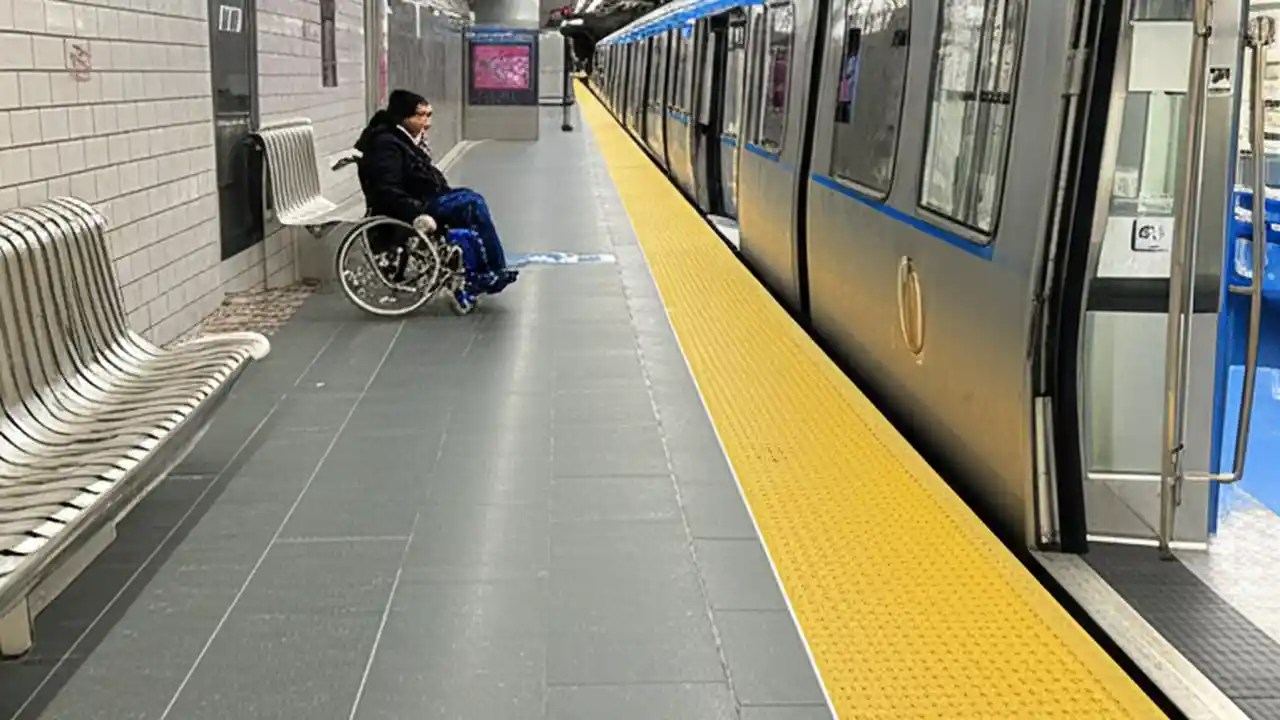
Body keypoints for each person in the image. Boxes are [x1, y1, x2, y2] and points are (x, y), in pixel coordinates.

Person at [354, 89, 515, 308]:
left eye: (429, 115)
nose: (427, 122)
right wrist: (416, 214)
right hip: (414, 206)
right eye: (420, 115)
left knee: (470, 197)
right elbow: (386, 190)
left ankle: (489, 270)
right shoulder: (387, 145)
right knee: (472, 204)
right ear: (403, 116)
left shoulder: (402, 139)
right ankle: (489, 272)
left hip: (423, 198)